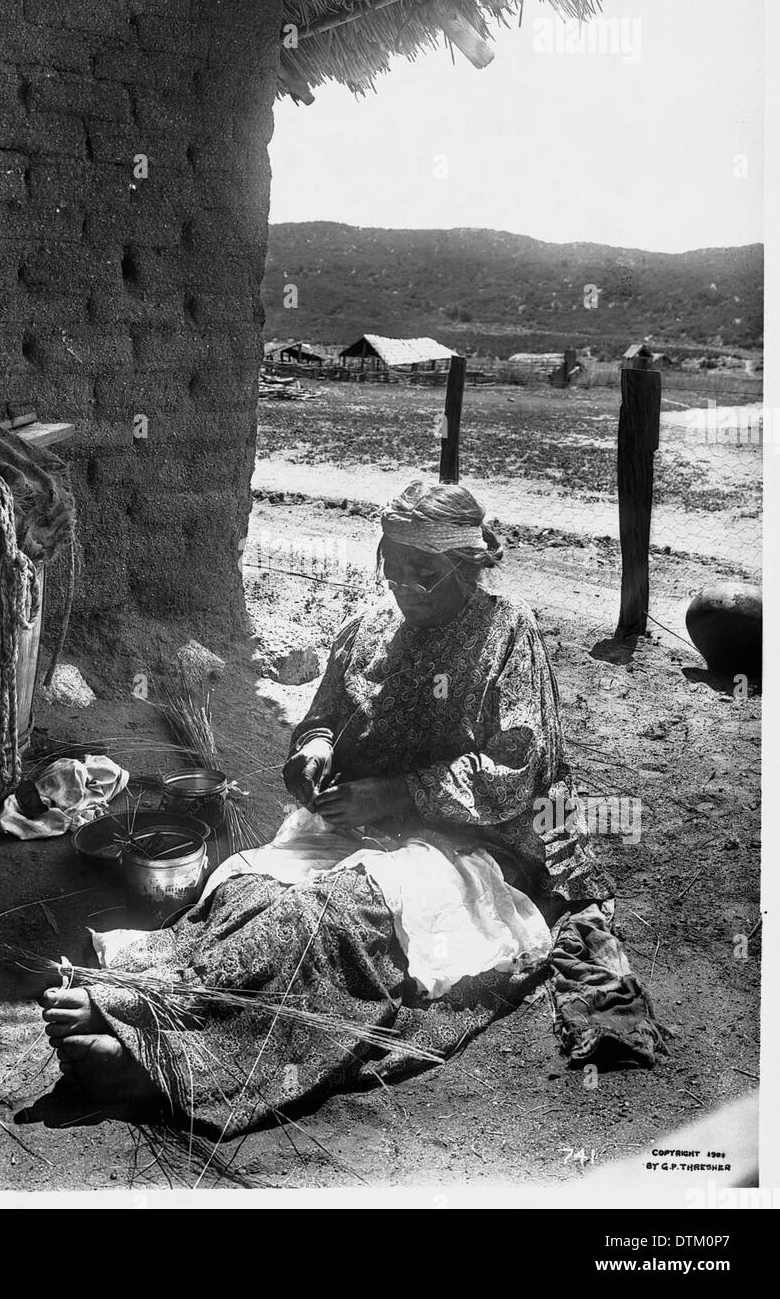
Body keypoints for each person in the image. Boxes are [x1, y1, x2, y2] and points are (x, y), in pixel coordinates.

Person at [39, 481, 664, 1136]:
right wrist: (309, 755)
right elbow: (323, 719)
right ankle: (156, 1012)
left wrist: (396, 793)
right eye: (393, 571)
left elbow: (515, 767)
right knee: (251, 887)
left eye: (425, 574)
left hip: (477, 847)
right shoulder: (366, 631)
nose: (405, 589)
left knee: (333, 916)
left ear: (467, 564)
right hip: (353, 827)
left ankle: (162, 1057)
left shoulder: (505, 631)